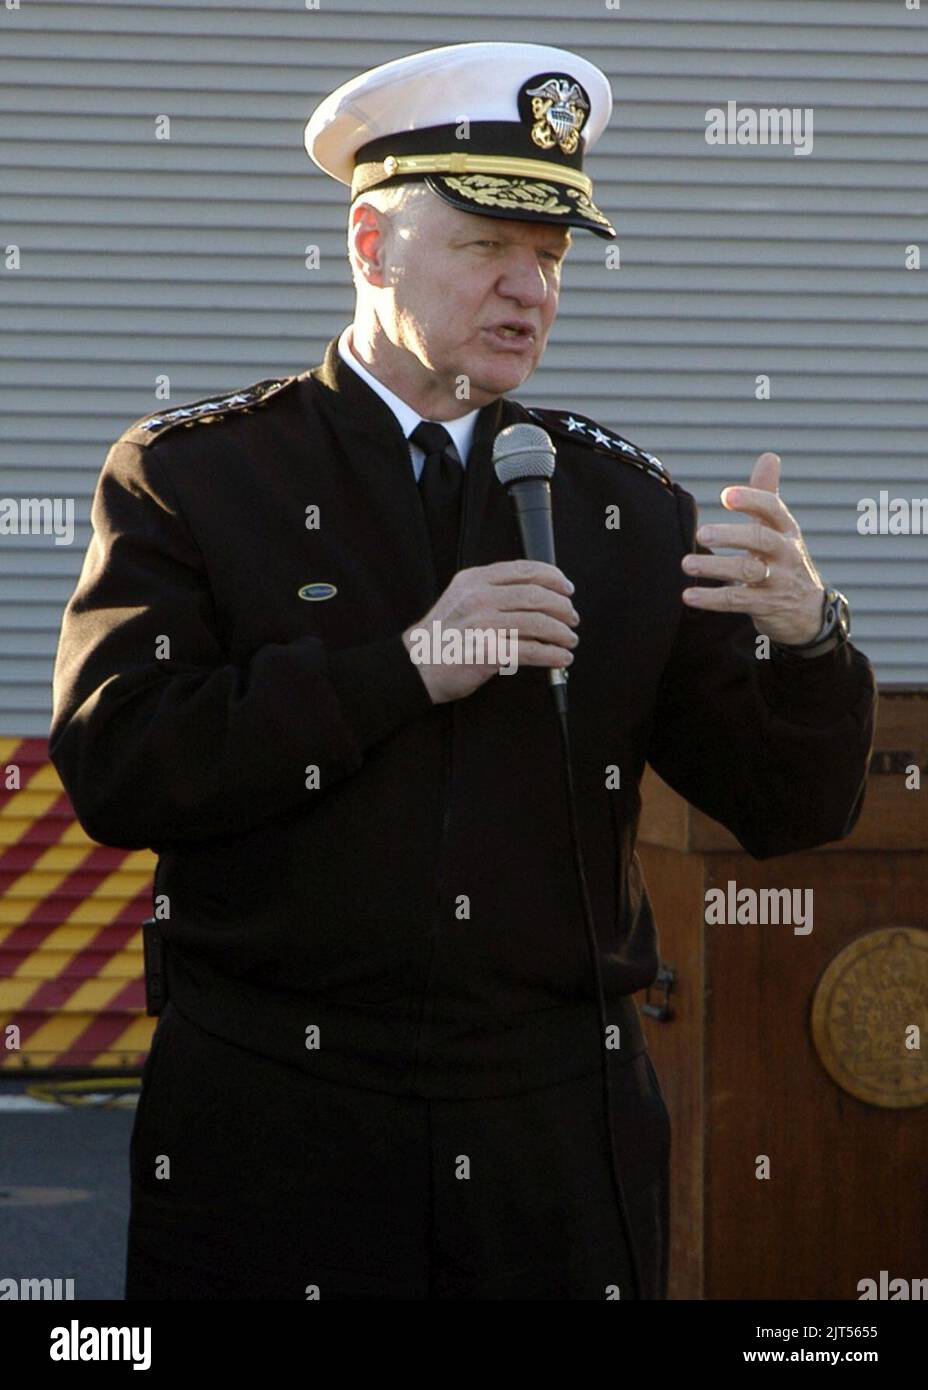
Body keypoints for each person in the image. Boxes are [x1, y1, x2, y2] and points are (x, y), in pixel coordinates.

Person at [48, 41, 877, 1300]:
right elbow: (121, 762)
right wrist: (401, 669)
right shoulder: (198, 475)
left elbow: (789, 810)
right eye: (487, 245)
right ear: (370, 246)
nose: (528, 289)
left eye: (550, 256)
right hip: (282, 1118)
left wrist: (811, 639)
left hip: (553, 1128)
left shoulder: (622, 507)